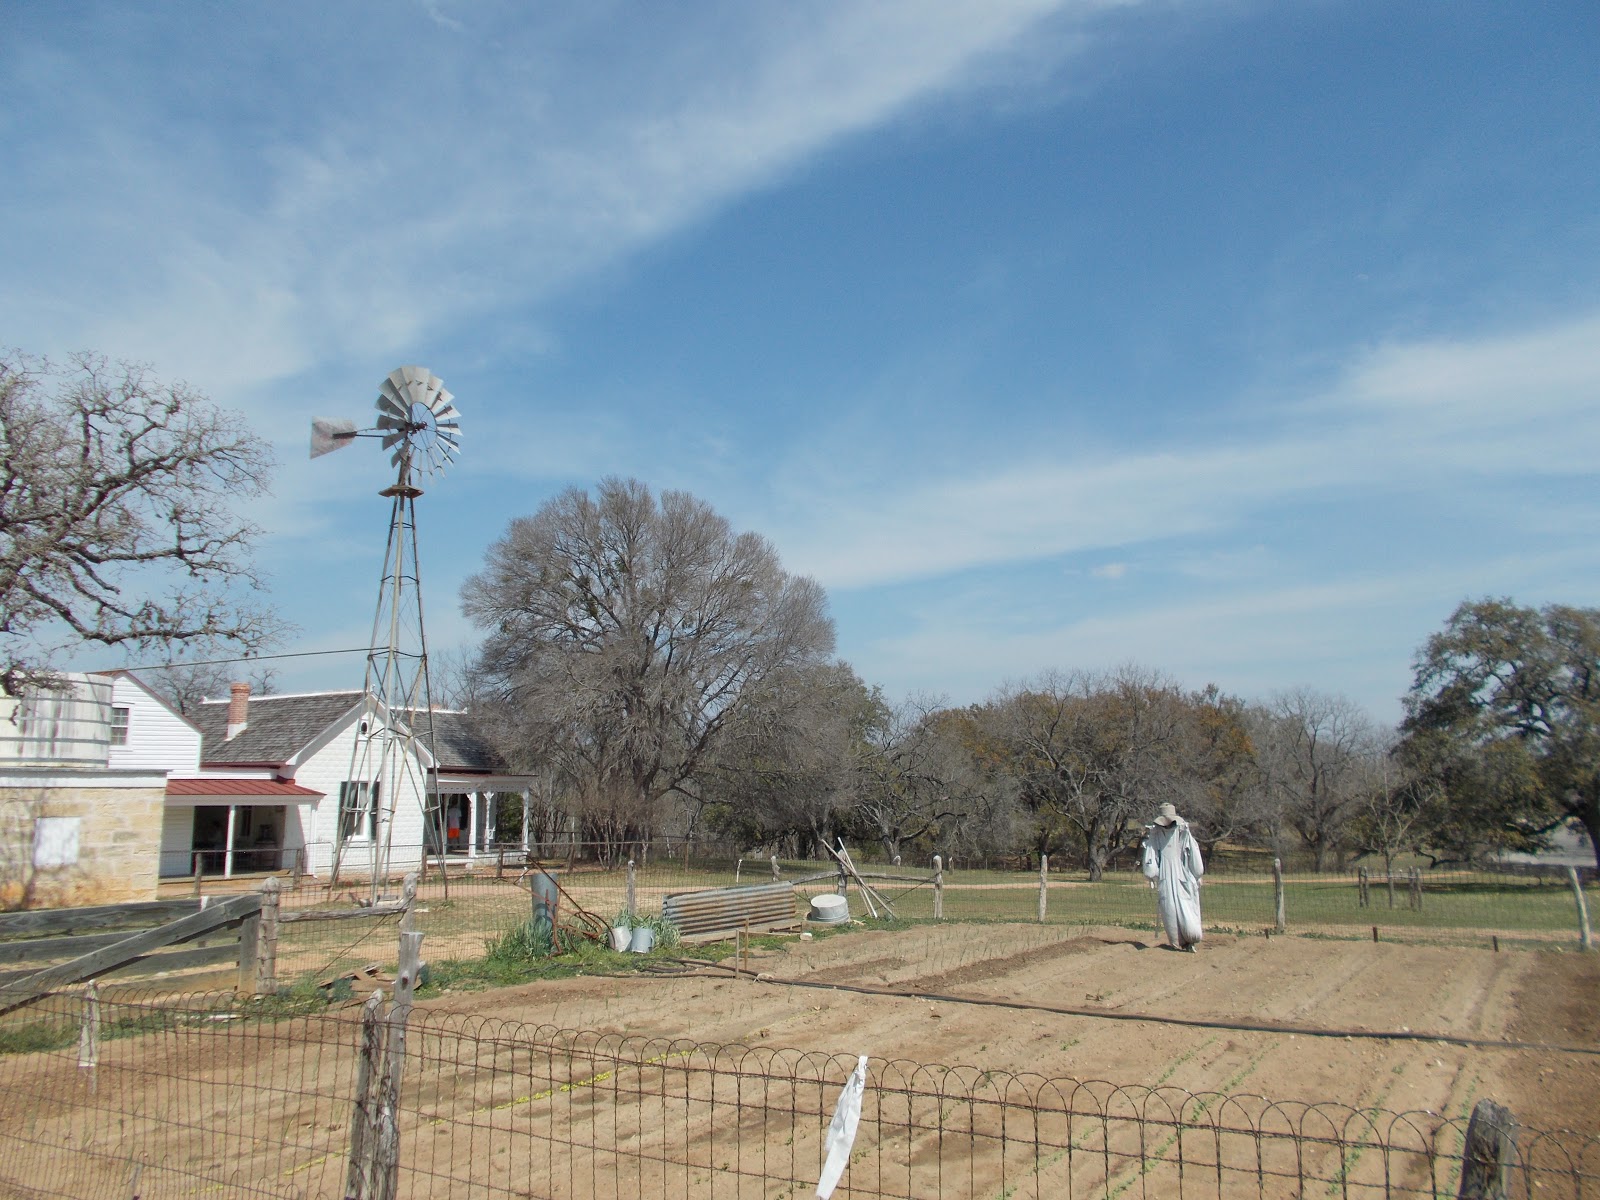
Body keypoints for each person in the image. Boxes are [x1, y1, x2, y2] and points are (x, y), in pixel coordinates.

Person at [1141, 803, 1204, 951]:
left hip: (1183, 875)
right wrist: (1152, 874)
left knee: (1186, 907)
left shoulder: (1183, 832)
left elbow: (1193, 854)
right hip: (1165, 877)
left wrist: (1196, 874)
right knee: (1169, 909)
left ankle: (1191, 938)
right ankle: (1177, 941)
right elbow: (1151, 857)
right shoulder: (1155, 835)